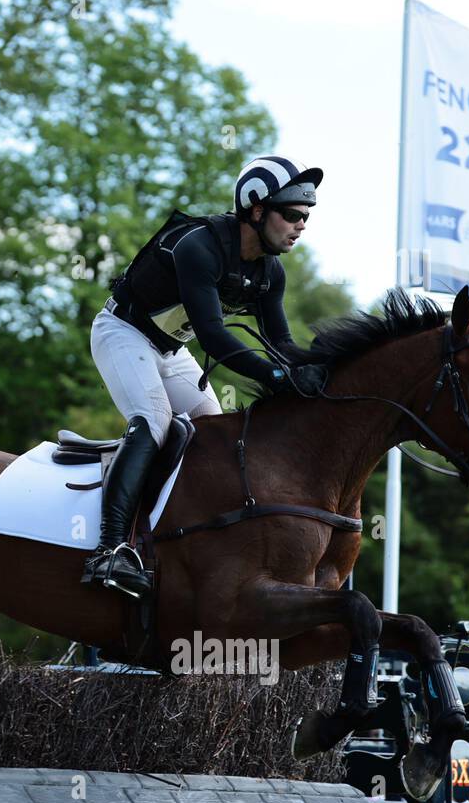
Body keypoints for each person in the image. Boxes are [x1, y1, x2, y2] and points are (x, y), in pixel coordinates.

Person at [82, 155, 330, 597]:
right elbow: (214, 339)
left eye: (306, 218)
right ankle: (109, 550)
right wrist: (277, 376)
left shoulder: (270, 271)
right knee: (154, 420)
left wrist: (319, 373)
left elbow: (282, 344)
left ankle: (184, 543)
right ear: (256, 209)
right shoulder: (200, 245)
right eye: (292, 214)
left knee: (214, 430)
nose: (301, 226)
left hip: (170, 348)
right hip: (122, 332)